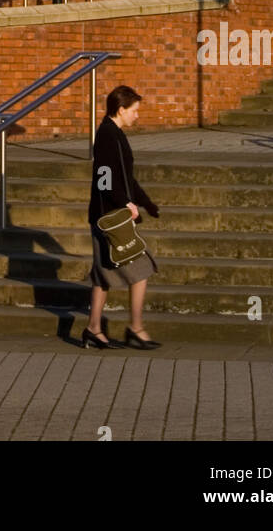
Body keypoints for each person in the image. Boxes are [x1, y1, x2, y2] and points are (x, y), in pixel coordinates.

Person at [81, 84, 162, 351]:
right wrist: (126, 203)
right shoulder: (107, 135)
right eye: (135, 111)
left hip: (109, 215)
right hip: (108, 219)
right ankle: (135, 329)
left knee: (104, 275)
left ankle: (94, 329)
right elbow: (104, 180)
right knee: (141, 268)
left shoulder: (115, 133)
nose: (137, 116)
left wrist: (146, 203)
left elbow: (126, 177)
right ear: (121, 109)